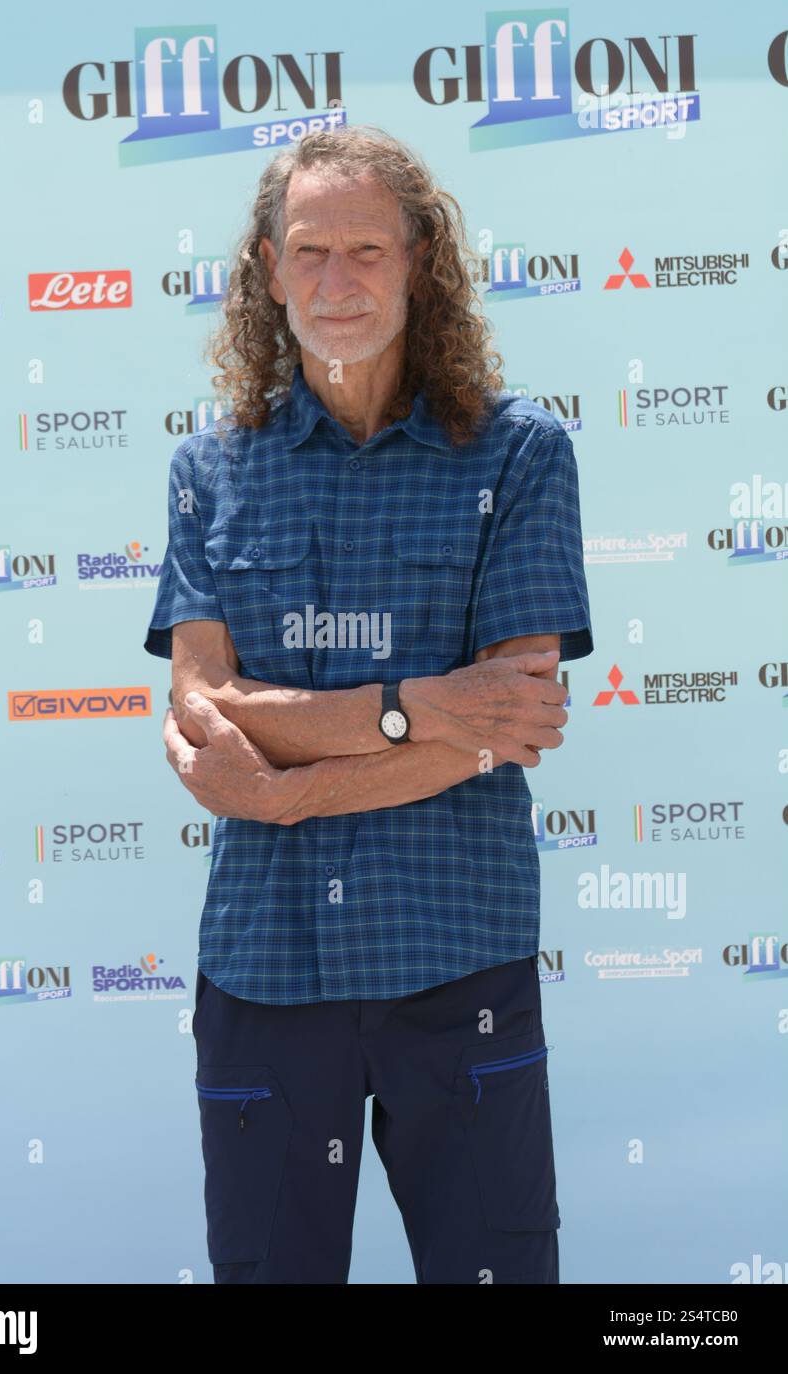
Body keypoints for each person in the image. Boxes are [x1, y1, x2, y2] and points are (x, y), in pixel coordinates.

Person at [143, 124, 593, 1284]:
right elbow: (204, 714)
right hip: (266, 973)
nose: (334, 283)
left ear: (420, 263)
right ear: (268, 270)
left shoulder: (519, 454)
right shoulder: (211, 470)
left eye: (365, 251)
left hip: (458, 959)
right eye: (307, 252)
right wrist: (419, 705)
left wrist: (284, 790)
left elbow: (511, 726)